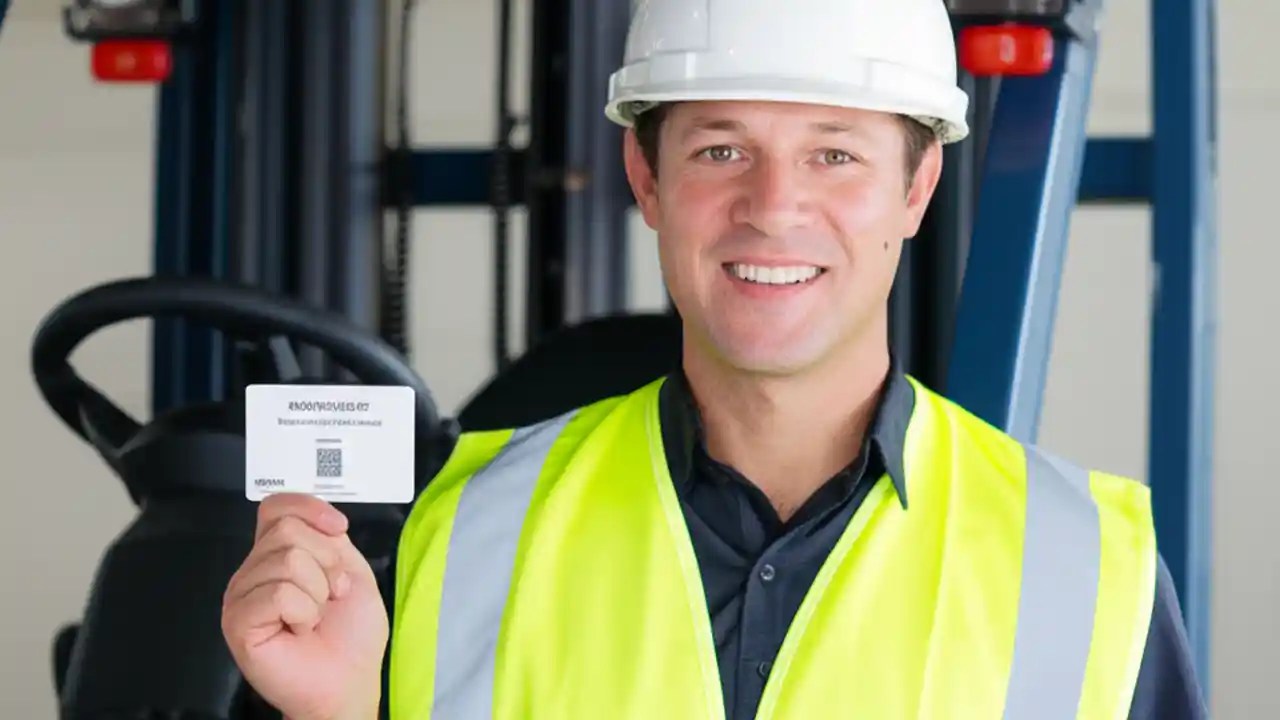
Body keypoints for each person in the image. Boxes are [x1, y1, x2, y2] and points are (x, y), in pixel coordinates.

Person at [221, 0, 1208, 717]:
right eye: (720, 151)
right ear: (644, 178)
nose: (773, 207)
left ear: (915, 190)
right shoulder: (456, 535)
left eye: (833, 154)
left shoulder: (1087, 570)